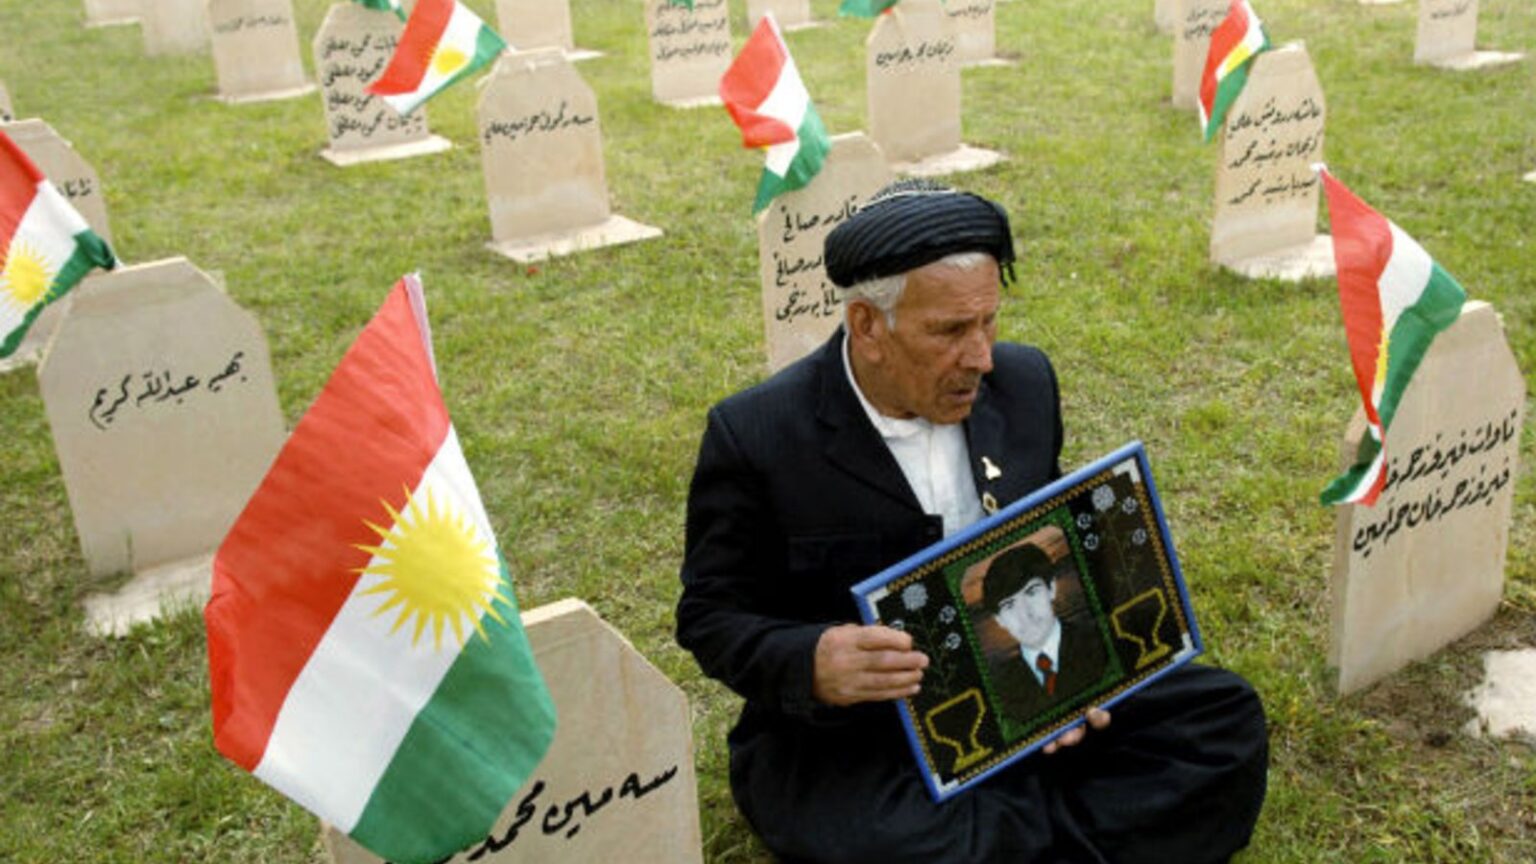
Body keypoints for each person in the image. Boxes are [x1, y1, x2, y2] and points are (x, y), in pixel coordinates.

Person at [676, 179, 1268, 864]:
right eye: (950, 331)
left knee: (1222, 724)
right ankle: (1049, 826)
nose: (981, 356)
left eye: (989, 321)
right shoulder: (757, 434)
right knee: (885, 841)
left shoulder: (1025, 383)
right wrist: (812, 661)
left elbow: (1052, 542)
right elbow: (711, 615)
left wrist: (1085, 679)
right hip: (863, 732)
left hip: (1030, 687)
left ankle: (1011, 831)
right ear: (868, 326)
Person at [979, 543, 1109, 723]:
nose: (1025, 614)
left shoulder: (1100, 640)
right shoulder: (999, 689)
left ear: (1052, 589)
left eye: (1031, 592)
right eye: (1009, 605)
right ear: (999, 620)